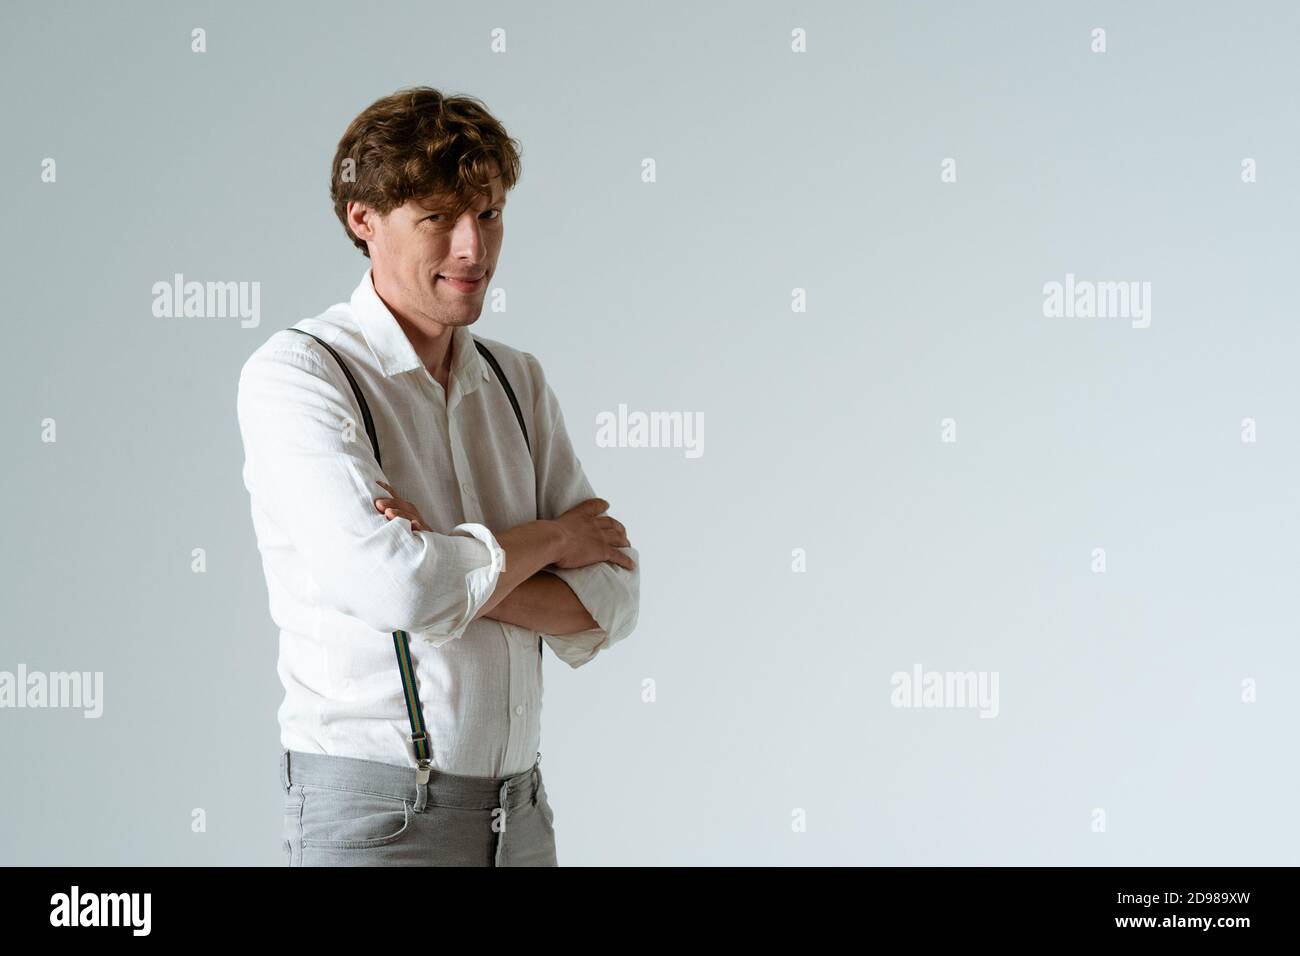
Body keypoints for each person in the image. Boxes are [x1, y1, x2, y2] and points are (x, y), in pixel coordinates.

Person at [235, 87, 640, 866]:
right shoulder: (300, 374)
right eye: (439, 218)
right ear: (364, 219)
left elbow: (614, 603)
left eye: (487, 215)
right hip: (379, 817)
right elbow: (402, 591)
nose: (472, 249)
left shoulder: (517, 380)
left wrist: (446, 561)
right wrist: (553, 539)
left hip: (521, 817)